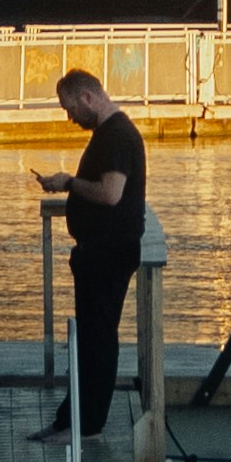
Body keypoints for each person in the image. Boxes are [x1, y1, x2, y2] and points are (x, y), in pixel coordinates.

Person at [47, 68, 147, 442]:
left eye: (70, 108)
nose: (69, 117)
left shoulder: (117, 135)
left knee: (99, 339)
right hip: (98, 251)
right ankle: (70, 419)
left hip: (109, 252)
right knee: (90, 339)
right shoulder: (109, 134)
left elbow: (110, 193)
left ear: (87, 97)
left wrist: (70, 183)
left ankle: (88, 426)